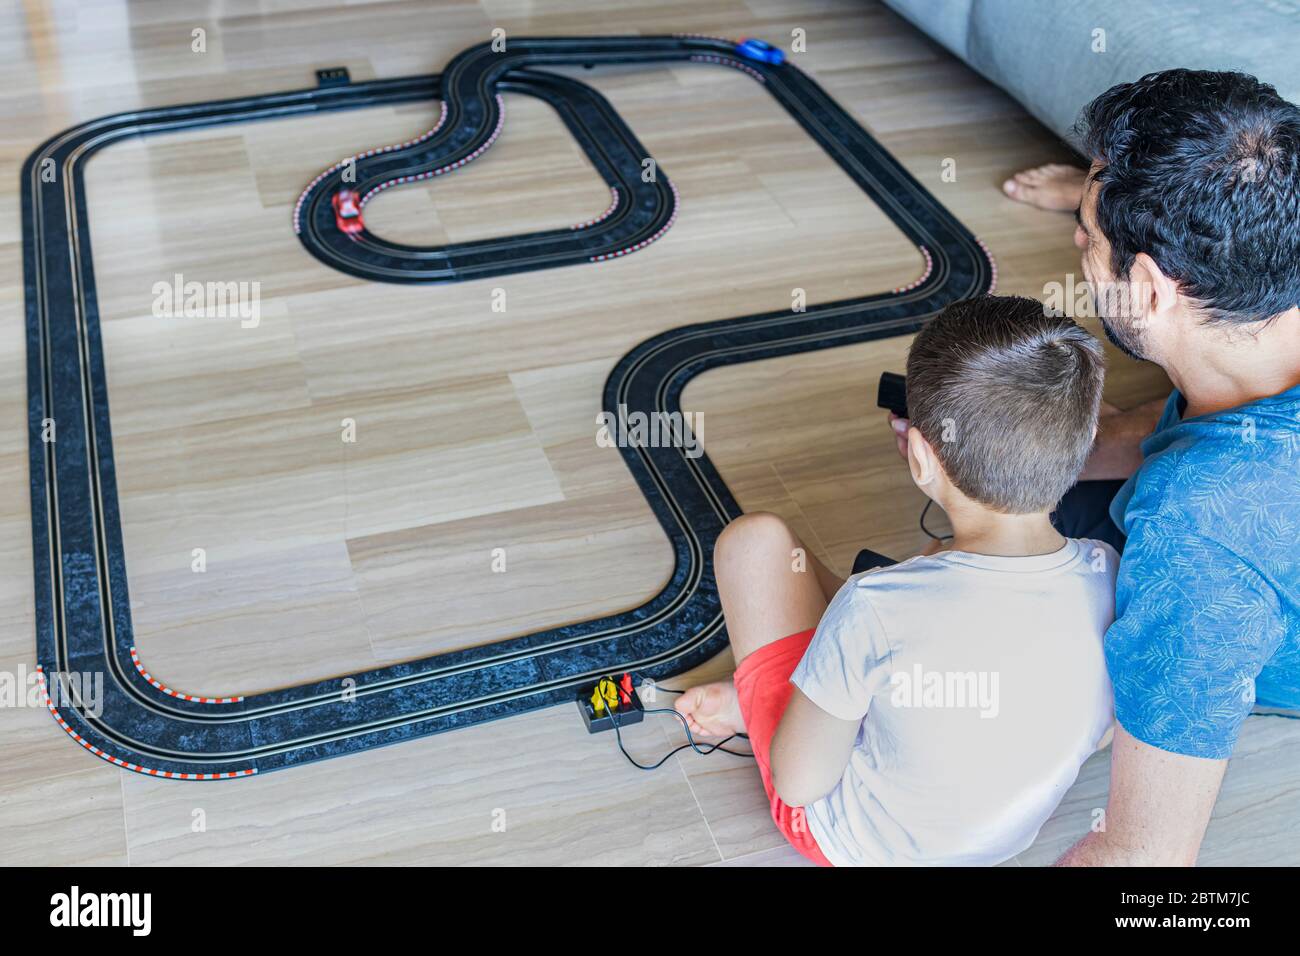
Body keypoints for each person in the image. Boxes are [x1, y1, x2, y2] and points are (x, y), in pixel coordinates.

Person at [675, 295, 1116, 866]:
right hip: (996, 841)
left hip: (853, 842)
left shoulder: (876, 605)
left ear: (921, 458)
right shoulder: (1108, 571)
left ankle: (774, 700)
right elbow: (1099, 732)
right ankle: (828, 678)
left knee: (755, 544)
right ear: (1079, 451)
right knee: (900, 596)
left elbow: (798, 784)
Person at [1002, 69, 1300, 865]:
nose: (1077, 251)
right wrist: (1020, 444)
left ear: (1150, 287)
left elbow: (1143, 866)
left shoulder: (1196, 529)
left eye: (1086, 241)